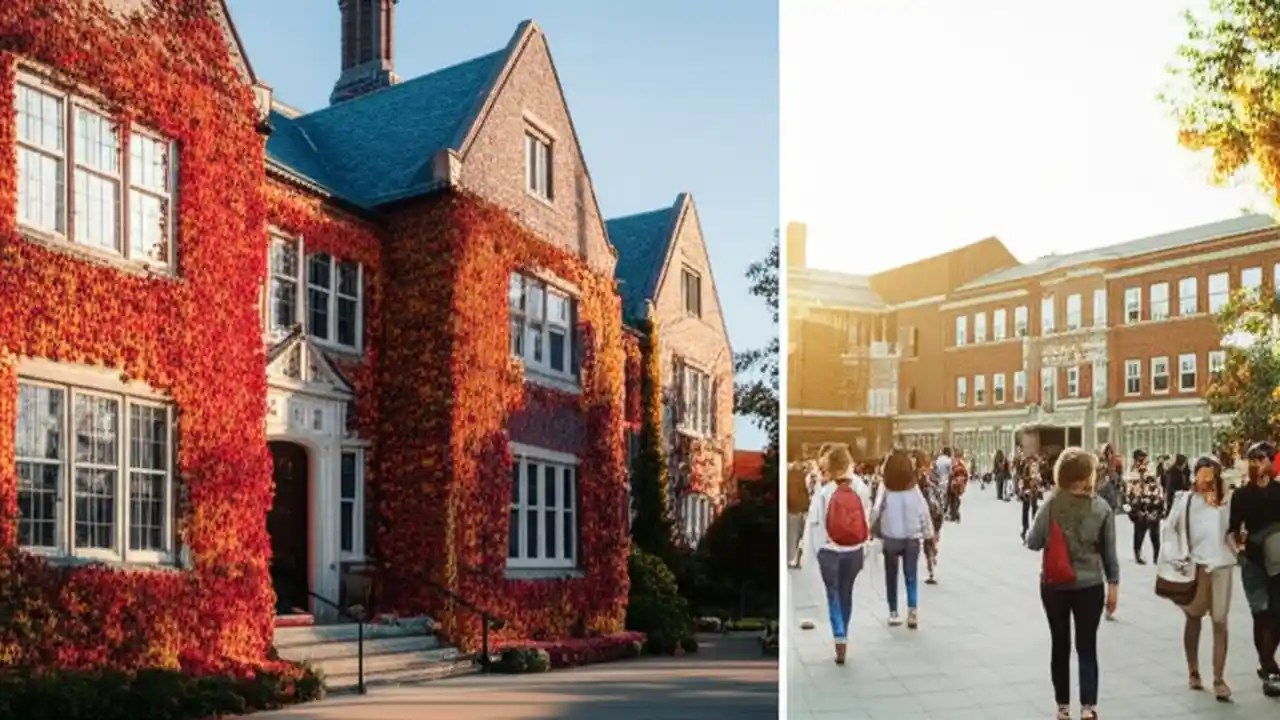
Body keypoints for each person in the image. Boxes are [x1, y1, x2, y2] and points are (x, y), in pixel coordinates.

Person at [1026, 448, 1120, 720]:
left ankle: (1062, 706)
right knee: (1087, 645)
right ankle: (1088, 706)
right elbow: (1109, 554)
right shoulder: (1102, 508)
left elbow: (1033, 542)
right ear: (1085, 476)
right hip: (1090, 585)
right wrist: (1113, 585)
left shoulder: (1052, 504)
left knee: (1060, 643)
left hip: (1055, 585)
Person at [1157, 454, 1236, 701]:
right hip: (1197, 567)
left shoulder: (1227, 500)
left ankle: (1219, 678)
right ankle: (1193, 669)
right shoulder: (1186, 500)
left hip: (1223, 565)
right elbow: (1170, 530)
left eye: (1210, 474)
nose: (1206, 479)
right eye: (1201, 473)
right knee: (1193, 618)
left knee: (1220, 622)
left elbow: (1234, 529)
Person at [809, 445, 872, 665]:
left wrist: (817, 551)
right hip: (854, 550)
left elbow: (815, 521)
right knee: (847, 593)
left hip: (830, 550)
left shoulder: (825, 490)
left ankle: (839, 638)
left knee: (833, 594)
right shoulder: (861, 488)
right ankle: (844, 631)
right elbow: (867, 518)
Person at [1227, 441, 1280, 697]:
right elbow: (1233, 528)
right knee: (1262, 612)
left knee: (1277, 614)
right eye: (1253, 459)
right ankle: (1268, 665)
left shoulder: (1279, 491)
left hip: (1279, 562)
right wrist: (1239, 550)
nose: (1257, 463)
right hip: (1254, 562)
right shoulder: (1242, 495)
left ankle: (1267, 660)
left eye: (1262, 458)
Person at [874, 449, 934, 629]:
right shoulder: (913, 488)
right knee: (911, 575)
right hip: (912, 537)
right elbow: (924, 511)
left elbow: (876, 509)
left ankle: (893, 612)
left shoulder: (885, 487)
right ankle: (912, 610)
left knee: (891, 575)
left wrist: (869, 527)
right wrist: (928, 533)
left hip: (891, 536)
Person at [1129, 450, 1165, 565]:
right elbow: (1129, 493)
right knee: (1139, 533)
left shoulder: (1151, 472)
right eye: (1142, 460)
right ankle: (1138, 554)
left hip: (1152, 506)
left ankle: (1156, 555)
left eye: (1145, 460)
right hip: (1140, 508)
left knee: (1155, 534)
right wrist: (1133, 510)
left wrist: (1158, 506)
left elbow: (1157, 488)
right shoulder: (1132, 474)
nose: (1144, 462)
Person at [787, 466, 809, 569]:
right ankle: (794, 560)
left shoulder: (793, 474)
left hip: (794, 510)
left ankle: (793, 559)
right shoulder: (797, 475)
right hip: (797, 510)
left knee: (794, 535)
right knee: (797, 536)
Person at [1020, 454, 1045, 542]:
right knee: (1026, 509)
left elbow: (1040, 480)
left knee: (1034, 509)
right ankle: (1025, 529)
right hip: (1027, 491)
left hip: (1034, 491)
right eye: (1033, 464)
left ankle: (1034, 530)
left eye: (1036, 464)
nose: (1034, 466)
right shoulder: (1026, 468)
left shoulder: (1037, 469)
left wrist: (1039, 482)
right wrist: (1030, 479)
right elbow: (1023, 479)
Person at [950, 449, 969, 523]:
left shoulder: (956, 464)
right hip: (959, 484)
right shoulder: (960, 464)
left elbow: (954, 473)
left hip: (956, 483)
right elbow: (966, 475)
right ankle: (955, 514)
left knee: (954, 499)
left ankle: (954, 515)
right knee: (955, 499)